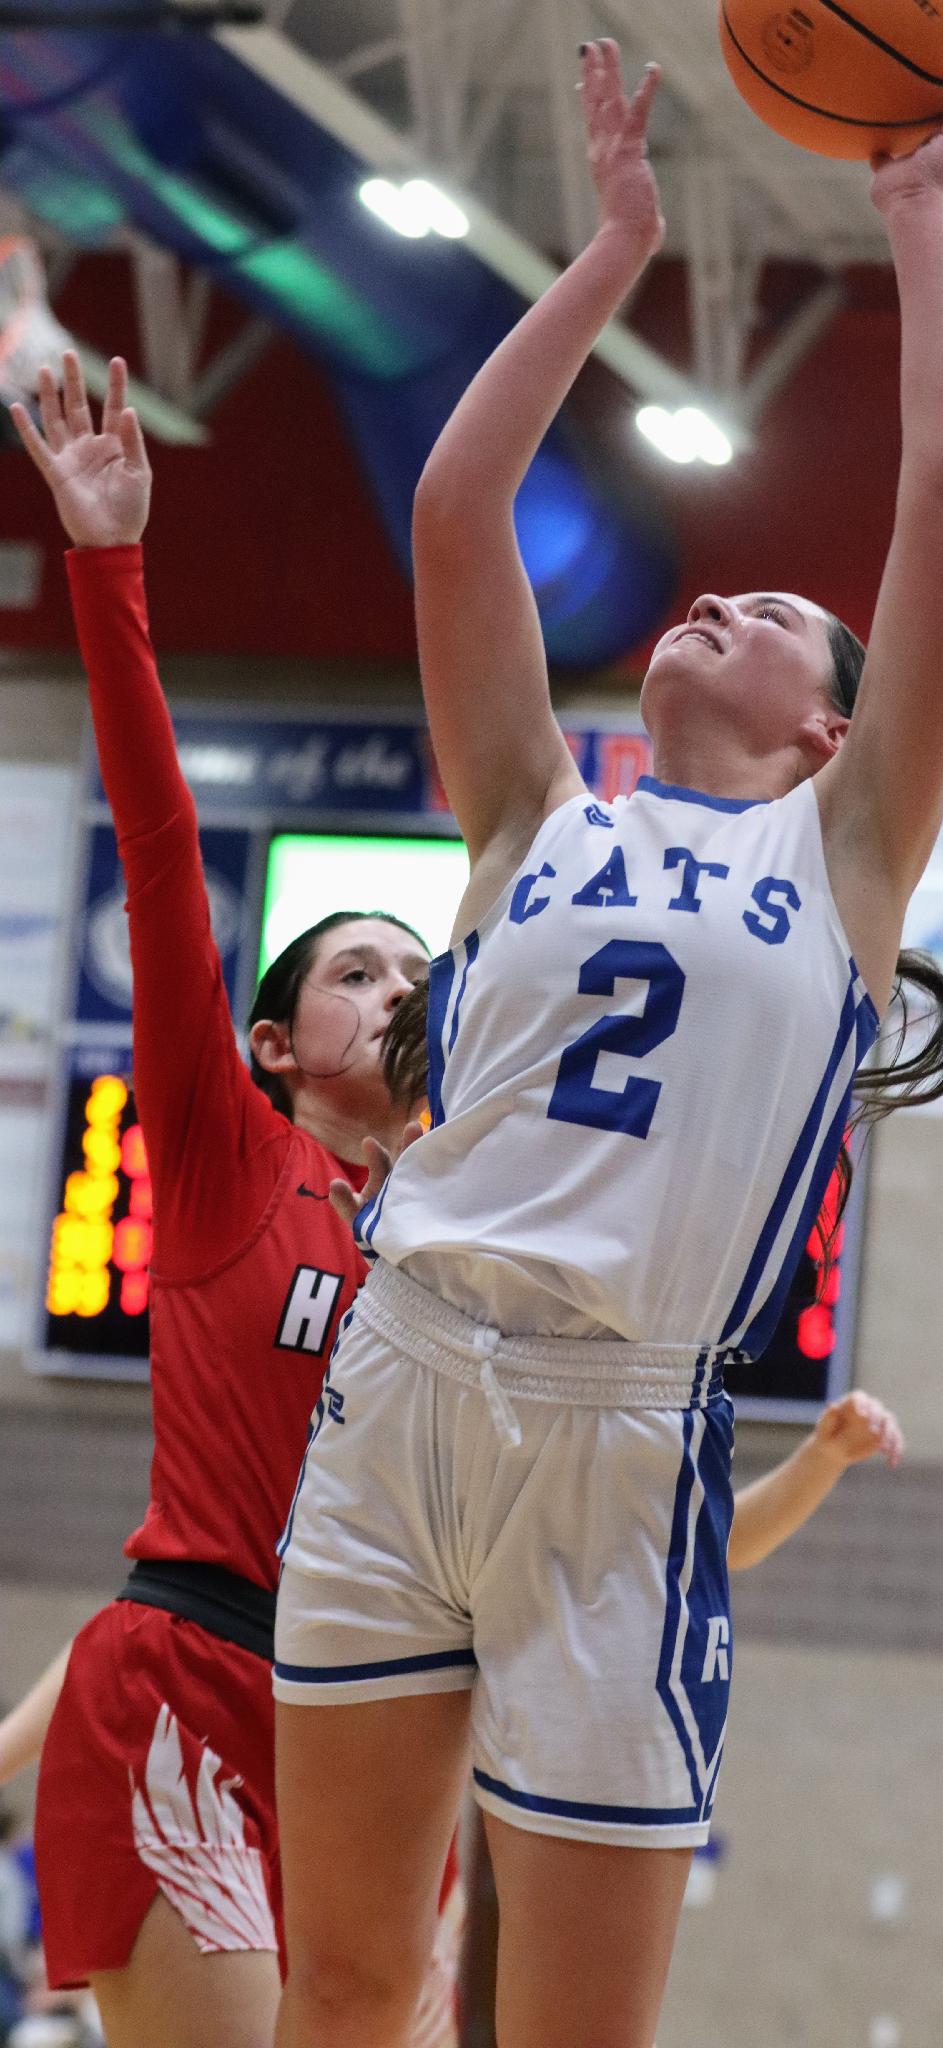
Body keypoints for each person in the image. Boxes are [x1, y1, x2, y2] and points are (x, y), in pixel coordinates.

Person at [269, 34, 943, 2048]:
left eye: (772, 610)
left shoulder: (850, 850)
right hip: (404, 1383)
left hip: (623, 1442)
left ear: (829, 727)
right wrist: (608, 250)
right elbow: (456, 500)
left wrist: (915, 221)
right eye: (714, 590)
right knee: (345, 1987)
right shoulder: (533, 805)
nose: (716, 603)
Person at [8, 359, 446, 2048]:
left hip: (366, 1721)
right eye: (356, 967)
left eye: (417, 967)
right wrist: (109, 567)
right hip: (189, 1674)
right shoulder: (222, 1154)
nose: (396, 984)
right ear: (274, 1042)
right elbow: (162, 829)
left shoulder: (457, 1230)